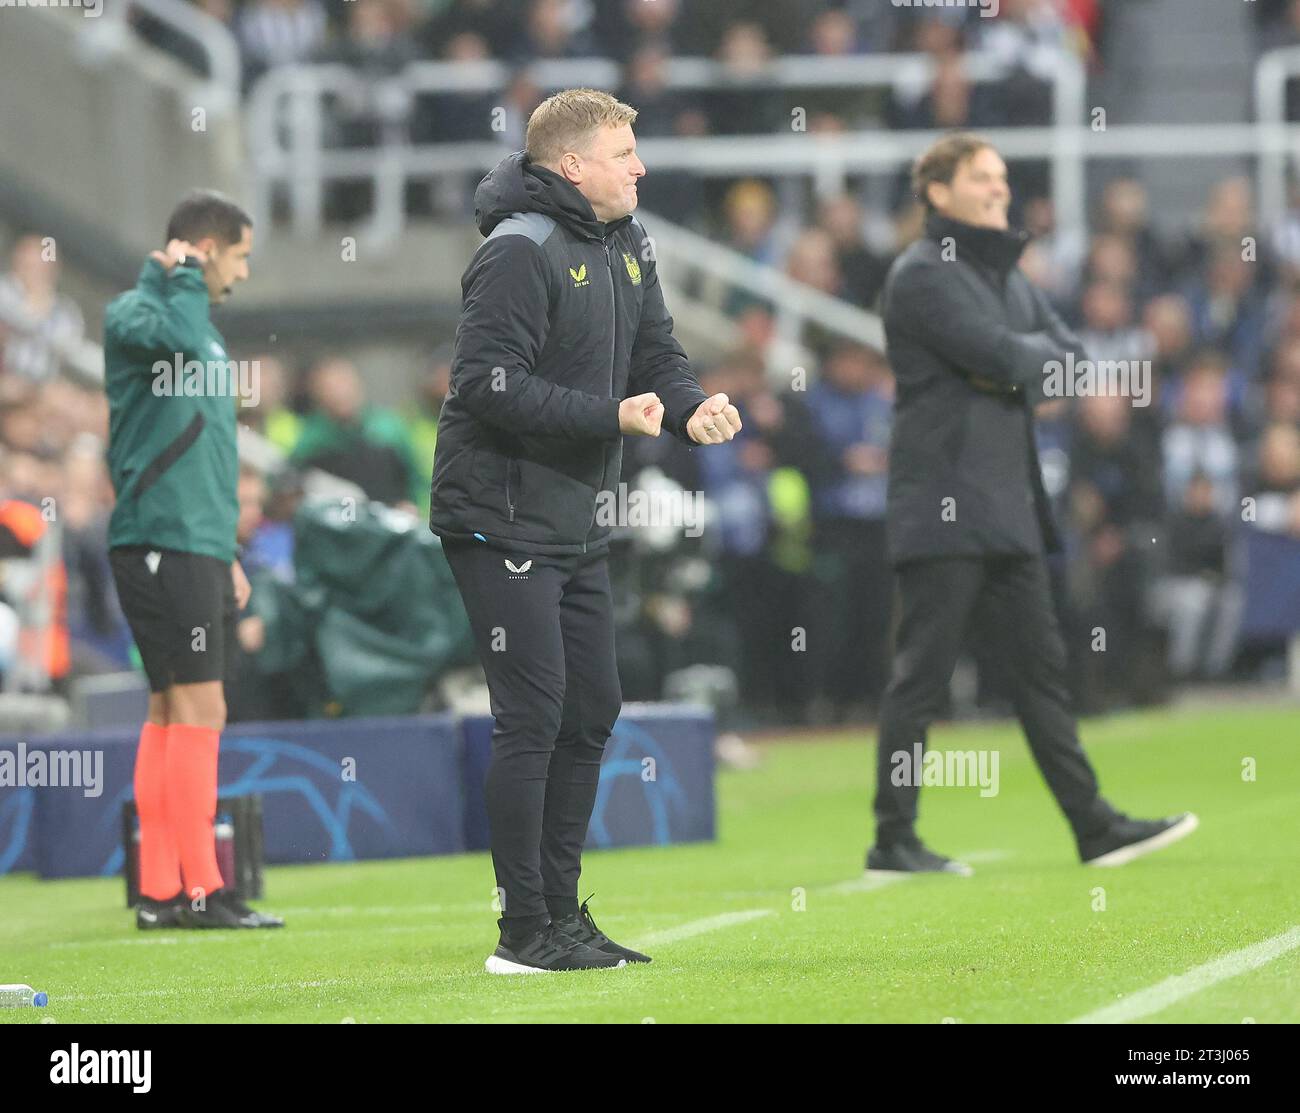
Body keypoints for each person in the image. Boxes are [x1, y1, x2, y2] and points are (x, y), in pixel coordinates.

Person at [429, 88, 741, 974]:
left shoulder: (625, 240)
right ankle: (522, 932)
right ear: (572, 165)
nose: (640, 166)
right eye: (624, 152)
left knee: (593, 707)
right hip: (499, 513)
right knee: (531, 717)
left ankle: (562, 919)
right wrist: (612, 415)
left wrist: (690, 411)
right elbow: (485, 384)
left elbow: (659, 355)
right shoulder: (517, 251)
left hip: (574, 513)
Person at [869, 133, 1197, 874]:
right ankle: (892, 838)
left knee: (1041, 674)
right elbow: (1004, 356)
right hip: (946, 504)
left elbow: (1068, 361)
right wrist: (1017, 369)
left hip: (1007, 505)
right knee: (922, 675)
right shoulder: (921, 273)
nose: (998, 189)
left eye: (1002, 177)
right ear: (937, 191)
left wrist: (1018, 369)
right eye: (982, 177)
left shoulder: (1005, 275)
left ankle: (1093, 826)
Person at [104, 189, 283, 929]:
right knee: (198, 706)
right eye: (237, 256)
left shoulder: (197, 326)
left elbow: (207, 457)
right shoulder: (139, 313)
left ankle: (161, 888)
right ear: (204, 250)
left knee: (172, 708)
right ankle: (201, 889)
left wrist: (229, 548)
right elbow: (173, 340)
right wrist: (176, 278)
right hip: (159, 541)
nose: (240, 275)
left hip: (193, 542)